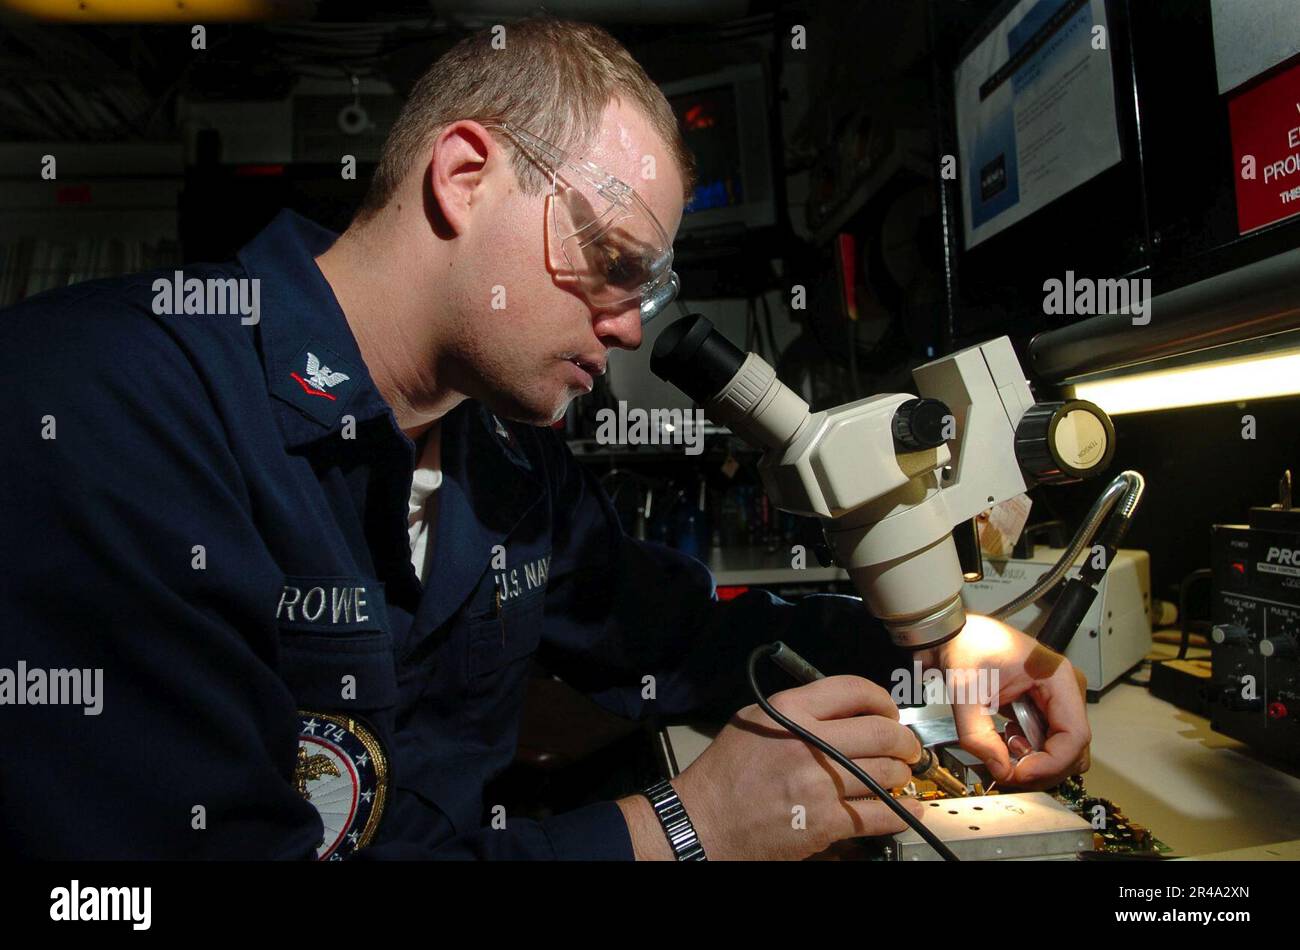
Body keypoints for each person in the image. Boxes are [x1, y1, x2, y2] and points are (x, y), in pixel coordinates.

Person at [0, 17, 1089, 860]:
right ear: (465, 176)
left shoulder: (506, 461)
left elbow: (669, 634)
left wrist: (947, 655)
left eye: (647, 290)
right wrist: (684, 823)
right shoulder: (104, 406)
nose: (625, 326)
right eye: (611, 262)